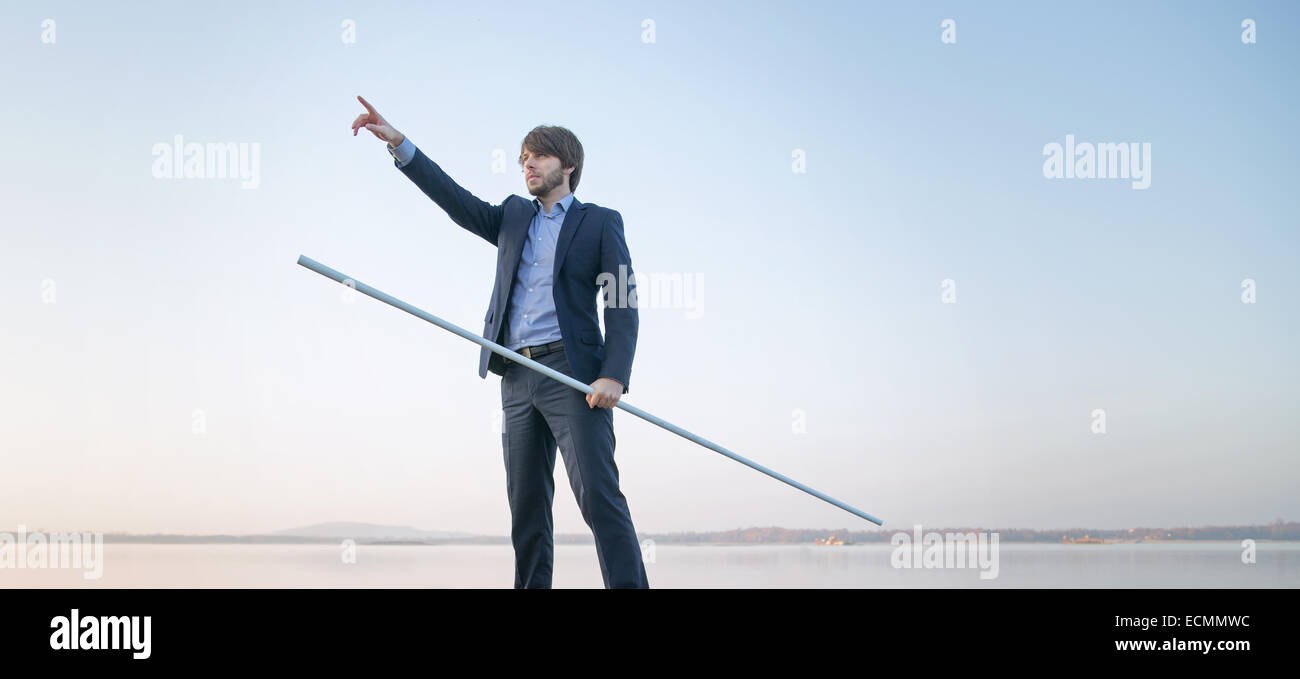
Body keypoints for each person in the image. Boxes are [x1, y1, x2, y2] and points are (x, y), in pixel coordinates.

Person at [351, 96, 649, 589]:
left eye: (539, 155)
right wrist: (401, 145)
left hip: (574, 375)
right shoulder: (513, 215)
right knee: (527, 508)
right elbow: (456, 201)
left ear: (567, 165)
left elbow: (622, 301)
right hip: (514, 376)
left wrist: (614, 373)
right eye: (523, 158)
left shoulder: (599, 222)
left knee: (599, 497)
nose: (528, 164)